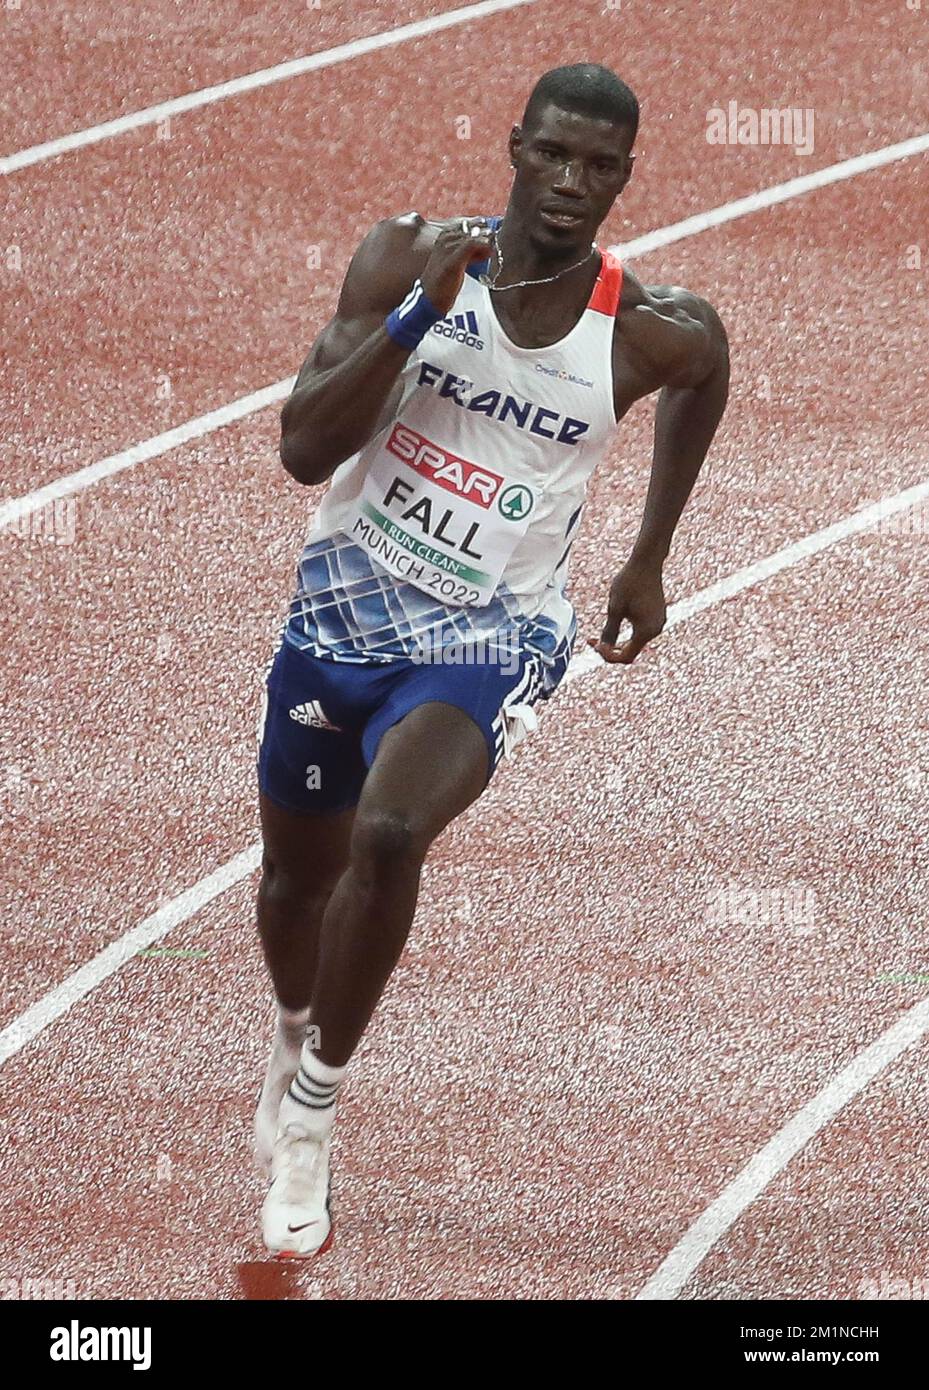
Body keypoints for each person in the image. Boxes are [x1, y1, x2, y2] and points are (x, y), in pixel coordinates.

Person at [254, 62, 729, 1257]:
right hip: (342, 617)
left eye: (599, 165)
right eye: (553, 155)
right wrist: (418, 315)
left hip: (490, 631)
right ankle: (293, 1030)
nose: (571, 184)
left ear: (625, 177)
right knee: (291, 890)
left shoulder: (649, 328)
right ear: (513, 147)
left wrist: (647, 554)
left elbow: (705, 375)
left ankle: (315, 1109)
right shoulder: (404, 259)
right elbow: (305, 451)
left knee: (389, 834)